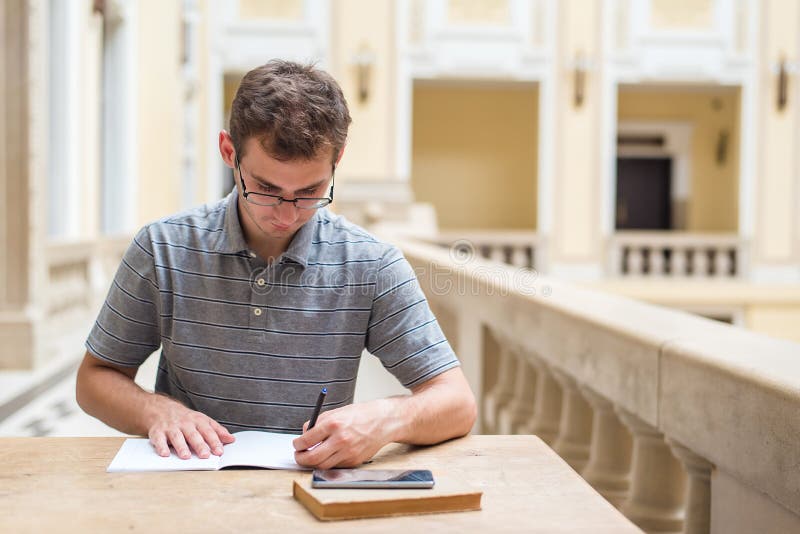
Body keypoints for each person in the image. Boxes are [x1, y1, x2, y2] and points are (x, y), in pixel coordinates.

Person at [76, 60, 476, 469]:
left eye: (310, 191)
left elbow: (457, 401)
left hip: (310, 497)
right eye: (266, 188)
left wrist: (386, 420)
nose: (286, 215)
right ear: (229, 152)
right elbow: (94, 380)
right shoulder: (161, 248)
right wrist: (155, 411)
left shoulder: (371, 264)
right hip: (186, 492)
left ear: (337, 159)